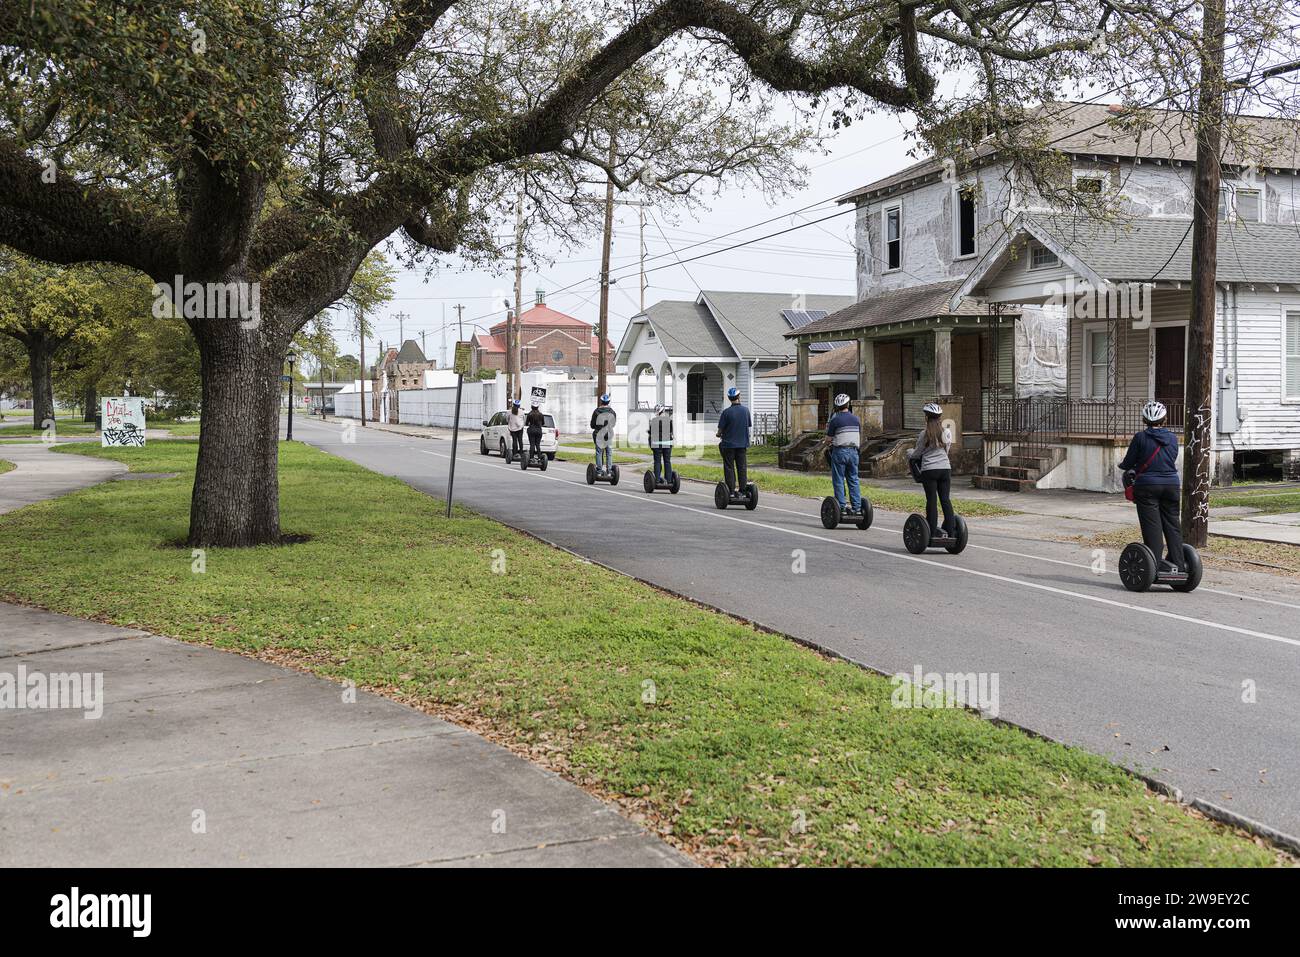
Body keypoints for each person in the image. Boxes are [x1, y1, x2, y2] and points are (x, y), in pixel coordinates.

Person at [1118, 400, 1185, 573]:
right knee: (1172, 525)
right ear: (1165, 419)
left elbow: (1128, 462)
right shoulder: (1172, 438)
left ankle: (1154, 565)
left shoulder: (1140, 437)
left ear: (1144, 420)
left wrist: (1125, 466)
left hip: (1147, 487)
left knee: (1152, 527)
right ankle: (1179, 563)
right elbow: (1171, 457)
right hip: (1171, 485)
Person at [908, 402, 955, 539]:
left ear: (926, 418)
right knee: (945, 499)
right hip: (945, 469)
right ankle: (951, 532)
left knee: (932, 500)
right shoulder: (947, 432)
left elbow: (917, 454)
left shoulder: (924, 434)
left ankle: (932, 531)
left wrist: (909, 453)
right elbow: (947, 450)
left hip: (930, 470)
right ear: (940, 418)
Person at [825, 393, 863, 513]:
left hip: (840, 452)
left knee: (839, 479)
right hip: (854, 452)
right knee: (853, 479)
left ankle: (841, 507)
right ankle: (857, 508)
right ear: (848, 404)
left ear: (836, 406)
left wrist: (827, 442)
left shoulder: (835, 420)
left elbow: (829, 439)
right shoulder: (856, 419)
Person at [716, 387, 752, 495]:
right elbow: (748, 425)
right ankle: (743, 490)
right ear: (739, 397)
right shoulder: (746, 411)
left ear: (729, 398)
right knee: (742, 467)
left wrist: (718, 434)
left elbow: (720, 431)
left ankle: (731, 491)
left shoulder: (726, 412)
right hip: (742, 444)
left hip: (728, 445)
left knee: (729, 467)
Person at [590, 393, 617, 474]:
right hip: (608, 434)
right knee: (609, 452)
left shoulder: (596, 411)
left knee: (599, 452)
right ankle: (609, 470)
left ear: (601, 401)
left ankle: (599, 470)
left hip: (598, 434)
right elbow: (613, 424)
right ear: (608, 402)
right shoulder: (612, 412)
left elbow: (592, 425)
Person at [649, 404, 674, 483]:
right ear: (663, 411)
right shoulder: (669, 420)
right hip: (667, 444)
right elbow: (671, 432)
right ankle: (669, 480)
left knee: (657, 461)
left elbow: (651, 433)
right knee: (667, 461)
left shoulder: (653, 421)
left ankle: (656, 480)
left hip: (657, 444)